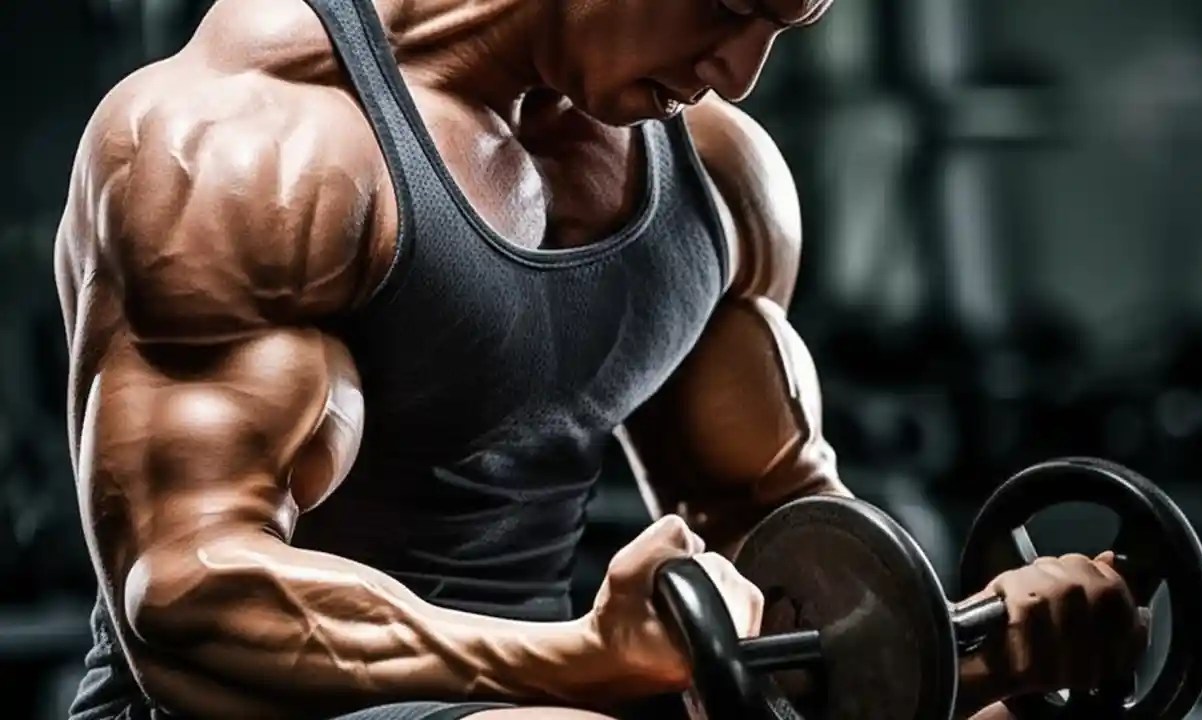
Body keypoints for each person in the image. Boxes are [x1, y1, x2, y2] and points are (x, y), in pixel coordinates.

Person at [54, 0, 1147, 718]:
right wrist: (573, 660)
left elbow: (781, 544)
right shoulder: (253, 144)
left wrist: (976, 645)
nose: (740, 71)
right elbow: (188, 606)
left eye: (784, 22)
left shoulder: (716, 170)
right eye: (726, 7)